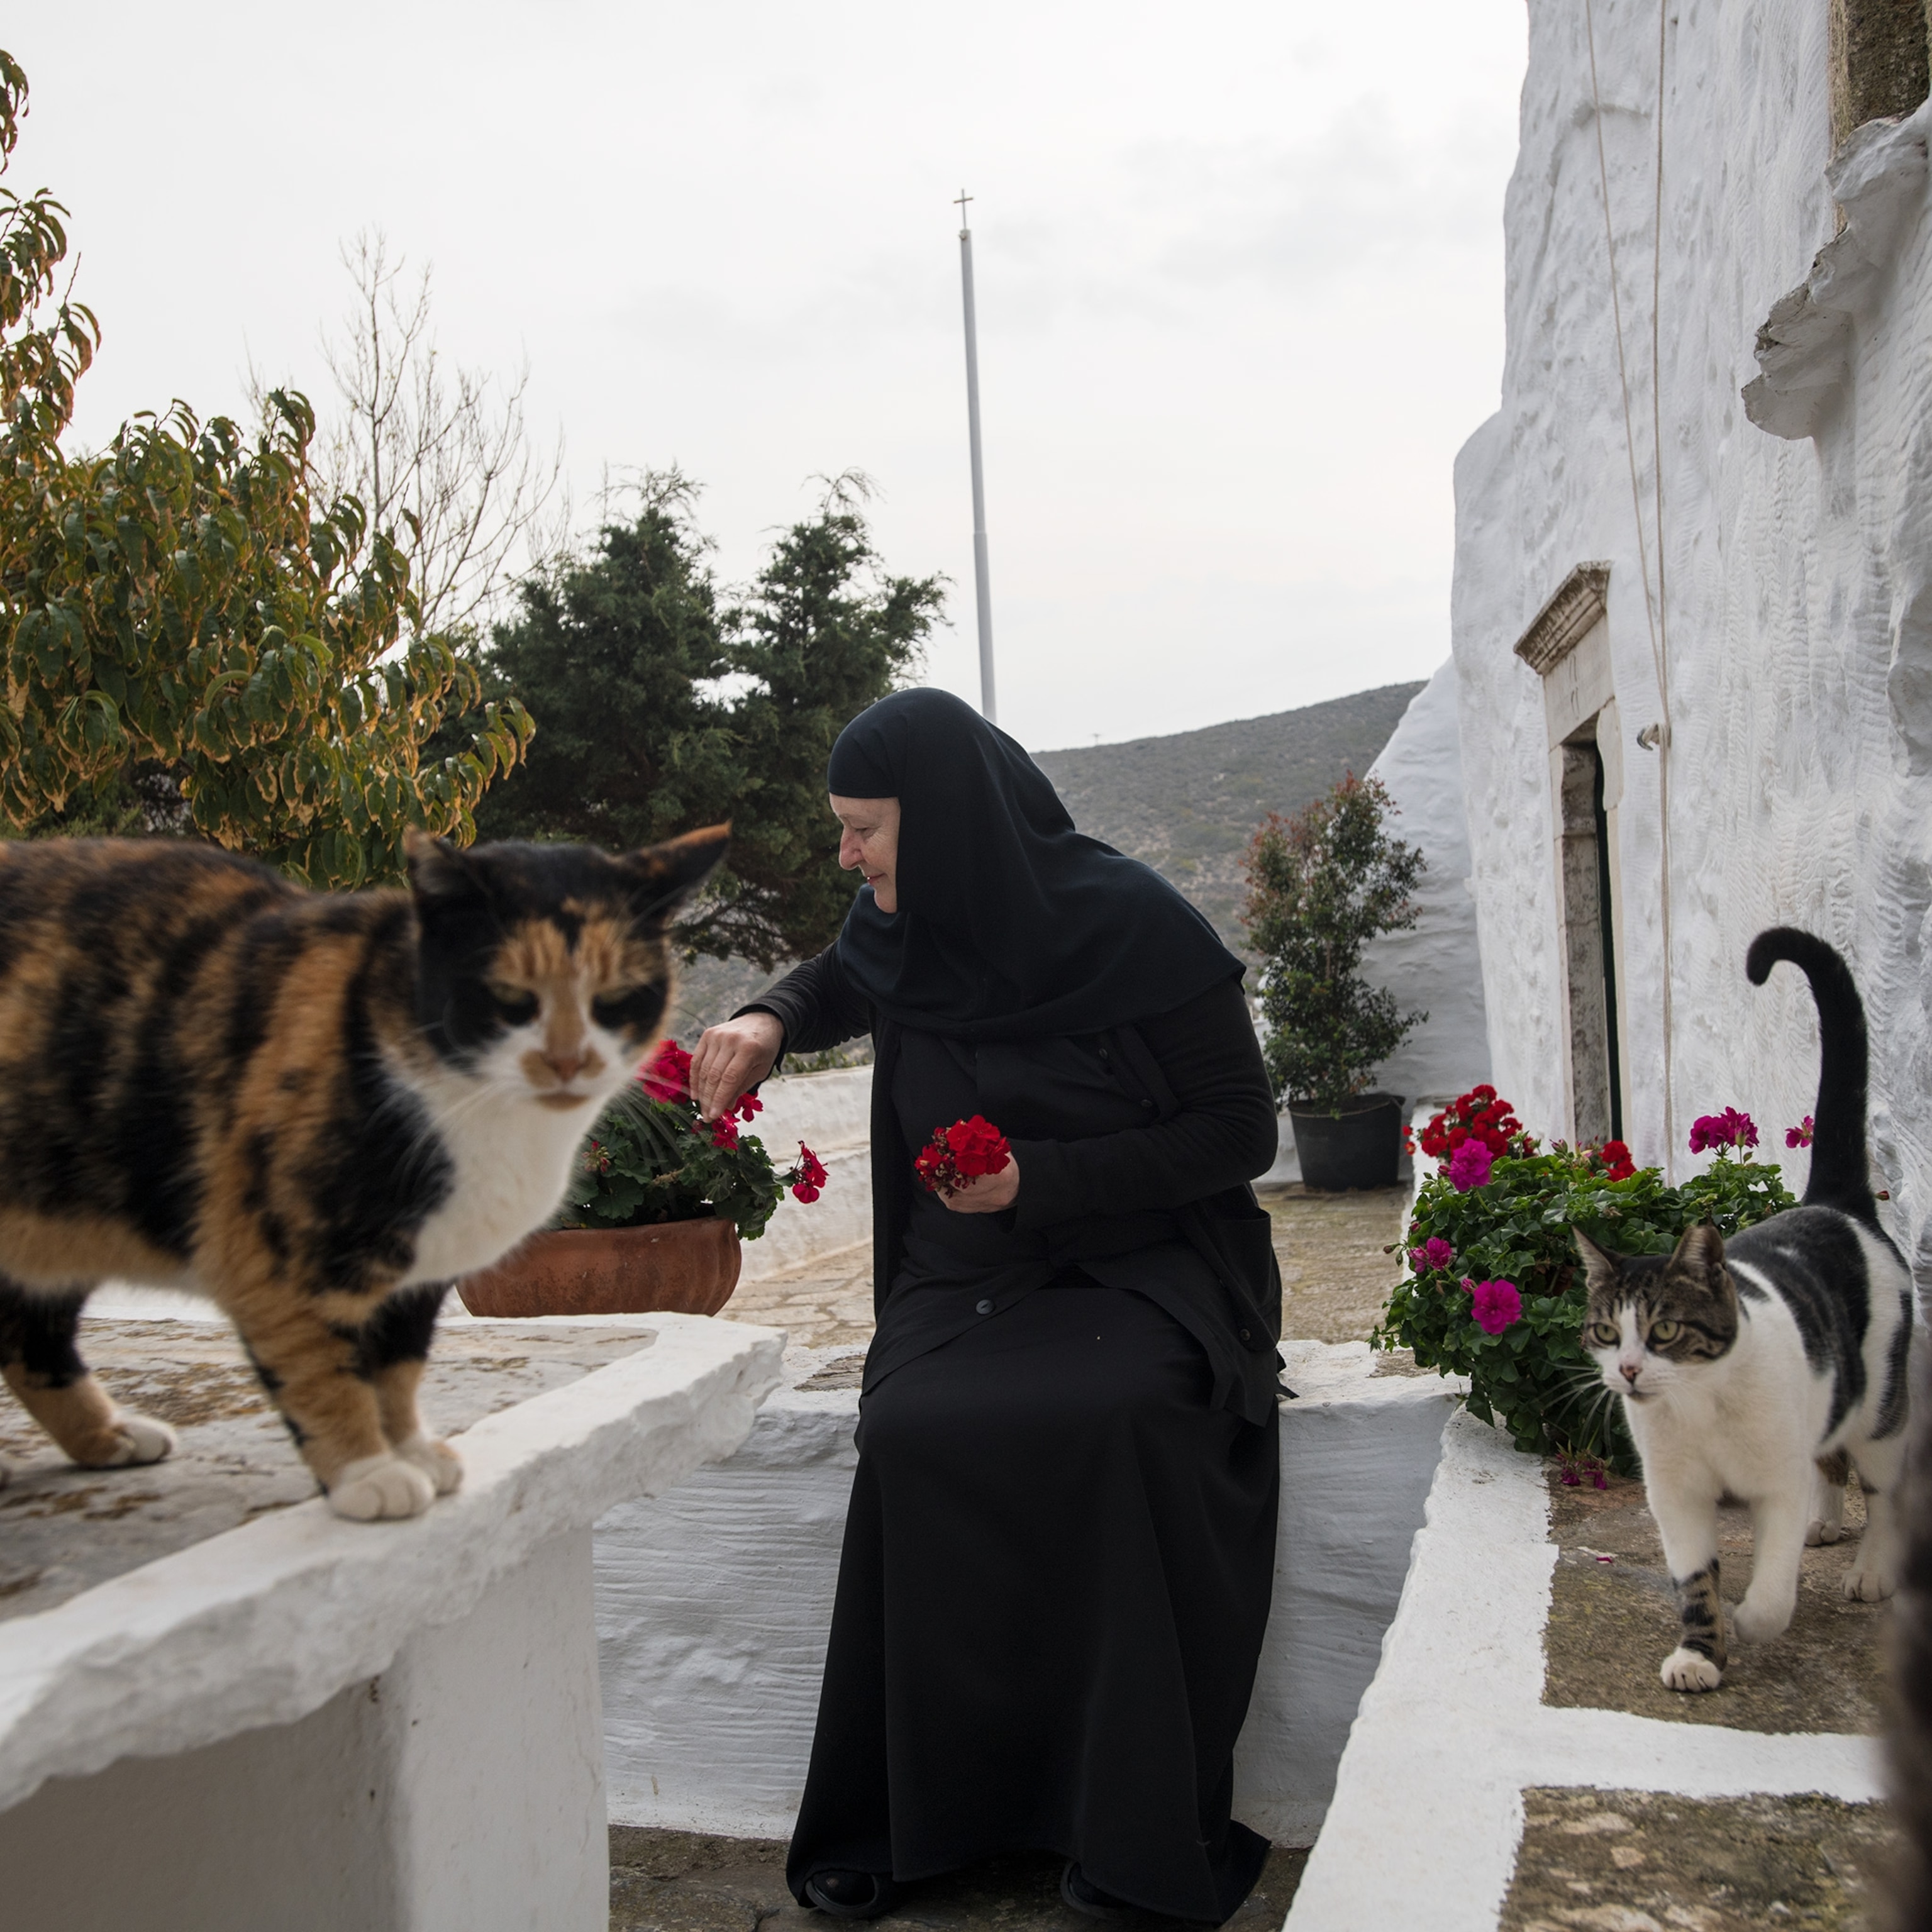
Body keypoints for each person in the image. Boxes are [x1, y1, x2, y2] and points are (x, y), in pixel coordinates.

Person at [690, 689, 1284, 1924]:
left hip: (1147, 1260)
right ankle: (906, 1821)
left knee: (1117, 1414)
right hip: (969, 1277)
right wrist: (769, 1015)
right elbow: (846, 975)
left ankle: (1123, 1829)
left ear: (947, 823)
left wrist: (1044, 1178)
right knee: (915, 1428)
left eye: (865, 830)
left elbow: (1239, 1132)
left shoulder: (1134, 928)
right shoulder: (908, 921)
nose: (847, 857)